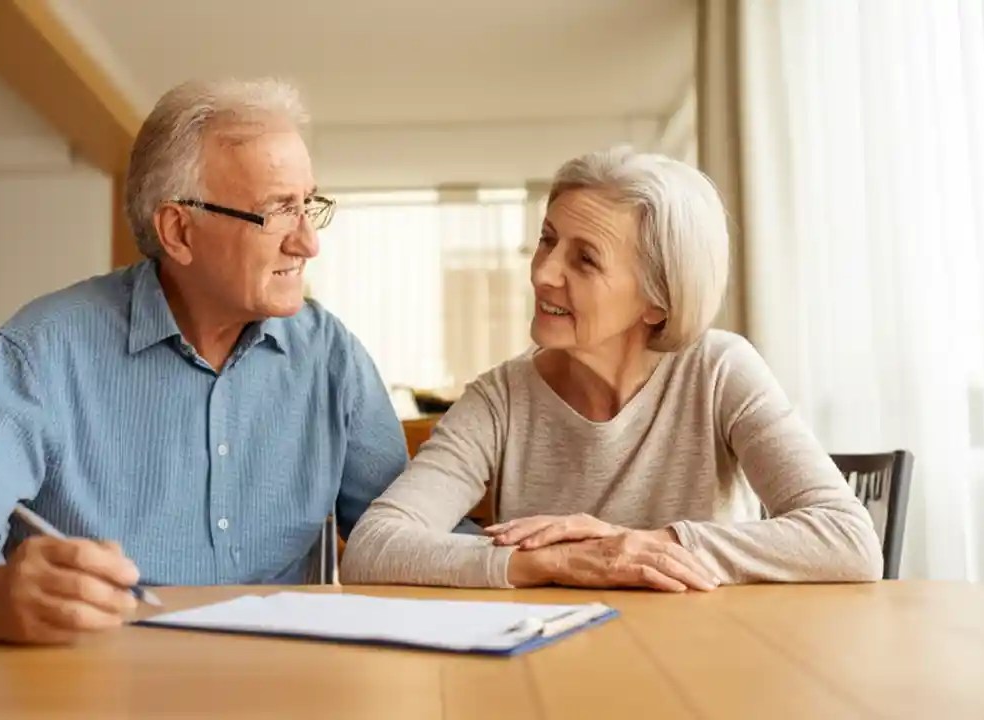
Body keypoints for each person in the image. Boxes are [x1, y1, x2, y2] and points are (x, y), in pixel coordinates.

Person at [0, 78, 408, 643]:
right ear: (178, 230)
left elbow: (407, 531)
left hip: (282, 679)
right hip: (93, 681)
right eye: (278, 211)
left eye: (308, 204)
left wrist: (493, 551)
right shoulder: (45, 348)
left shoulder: (329, 353)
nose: (308, 243)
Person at [341, 146, 883, 592]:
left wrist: (649, 544)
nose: (544, 273)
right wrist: (547, 563)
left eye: (585, 259)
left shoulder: (718, 370)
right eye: (548, 240)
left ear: (657, 299)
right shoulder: (500, 398)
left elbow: (847, 539)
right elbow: (374, 547)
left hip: (703, 664)